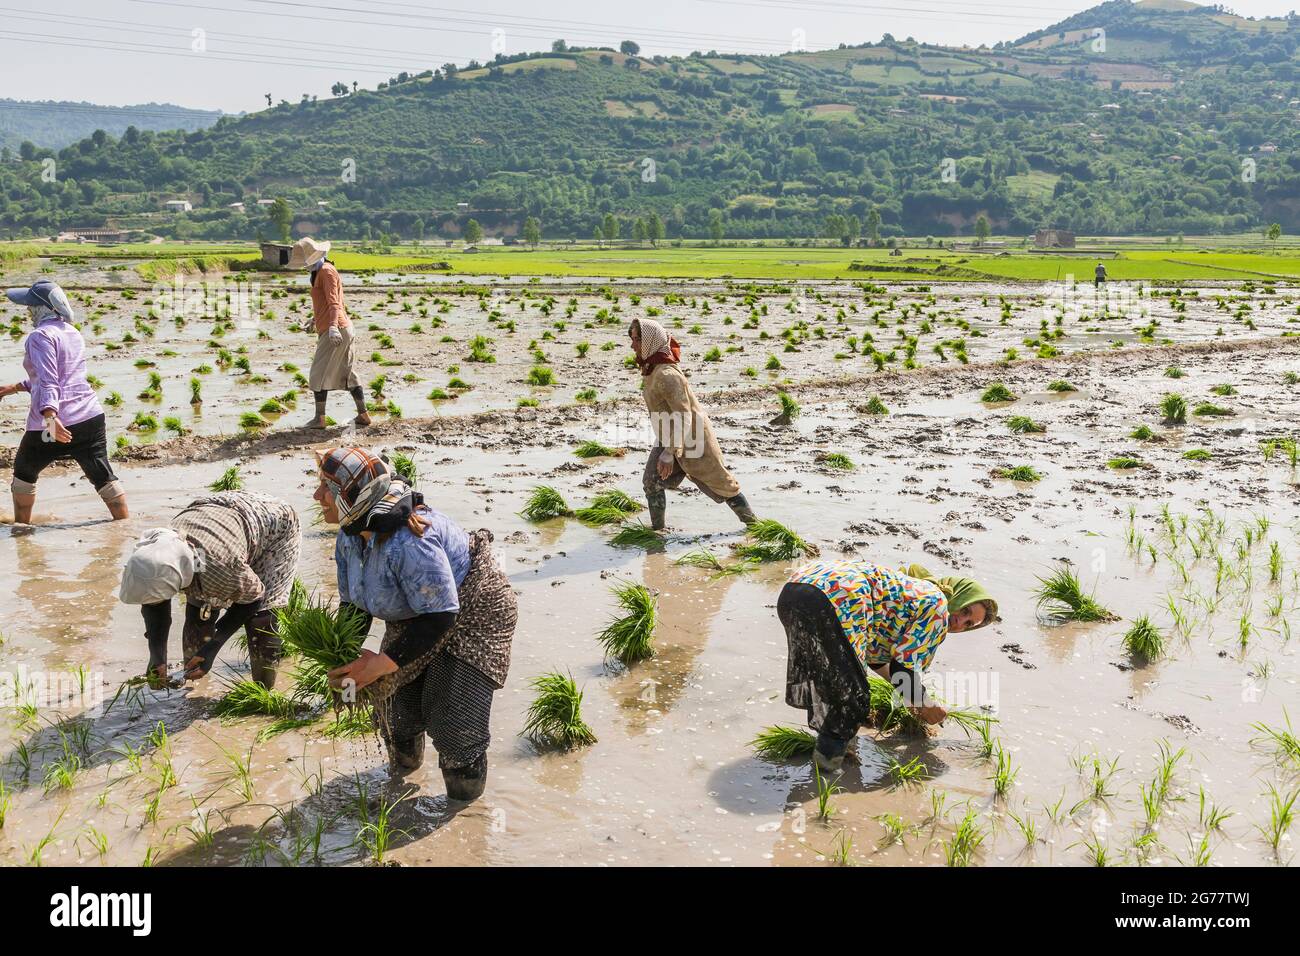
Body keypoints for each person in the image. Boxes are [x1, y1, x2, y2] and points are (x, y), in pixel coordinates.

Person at [314, 446, 516, 803]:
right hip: (417, 612)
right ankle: (401, 778)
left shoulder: (409, 541)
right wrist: (346, 664)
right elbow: (355, 607)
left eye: (326, 490)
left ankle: (463, 814)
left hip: (472, 610)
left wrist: (376, 664)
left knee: (455, 719)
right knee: (396, 711)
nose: (317, 497)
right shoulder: (350, 533)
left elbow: (441, 616)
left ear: (352, 495)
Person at [778, 560, 998, 773]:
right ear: (957, 595)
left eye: (969, 624)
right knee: (853, 697)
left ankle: (841, 756)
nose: (960, 622)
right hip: (835, 597)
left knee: (840, 684)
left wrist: (910, 696)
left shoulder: (914, 595)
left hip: (795, 591)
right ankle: (827, 773)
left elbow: (878, 661)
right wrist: (926, 705)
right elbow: (904, 669)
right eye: (966, 611)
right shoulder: (938, 606)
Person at [118, 491, 301, 688]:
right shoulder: (154, 557)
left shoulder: (221, 566)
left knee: (263, 616)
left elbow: (254, 599)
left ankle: (263, 691)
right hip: (217, 516)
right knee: (200, 610)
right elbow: (155, 605)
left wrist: (213, 647)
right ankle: (194, 683)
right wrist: (157, 657)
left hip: (274, 523)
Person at [0, 280, 128, 524]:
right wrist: (15, 388)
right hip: (90, 417)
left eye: (30, 306)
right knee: (103, 476)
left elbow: (49, 380)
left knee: (24, 474)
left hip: (53, 423)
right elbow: (62, 377)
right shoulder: (72, 332)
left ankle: (21, 533)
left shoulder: (39, 336)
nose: (27, 311)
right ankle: (124, 526)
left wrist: (50, 417)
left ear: (41, 308)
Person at [628, 317, 757, 530]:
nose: (633, 345)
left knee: (722, 483)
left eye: (637, 340)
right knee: (651, 482)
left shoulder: (667, 375)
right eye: (632, 340)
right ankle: (657, 532)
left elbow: (684, 415)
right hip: (672, 437)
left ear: (650, 341)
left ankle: (755, 527)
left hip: (693, 437)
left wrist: (669, 452)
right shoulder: (653, 369)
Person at [289, 237, 369, 429]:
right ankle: (363, 415)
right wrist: (315, 319)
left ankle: (320, 419)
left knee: (317, 374)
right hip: (338, 328)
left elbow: (334, 303)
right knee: (348, 374)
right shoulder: (319, 271)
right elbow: (327, 303)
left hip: (337, 330)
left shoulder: (326, 272)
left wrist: (332, 327)